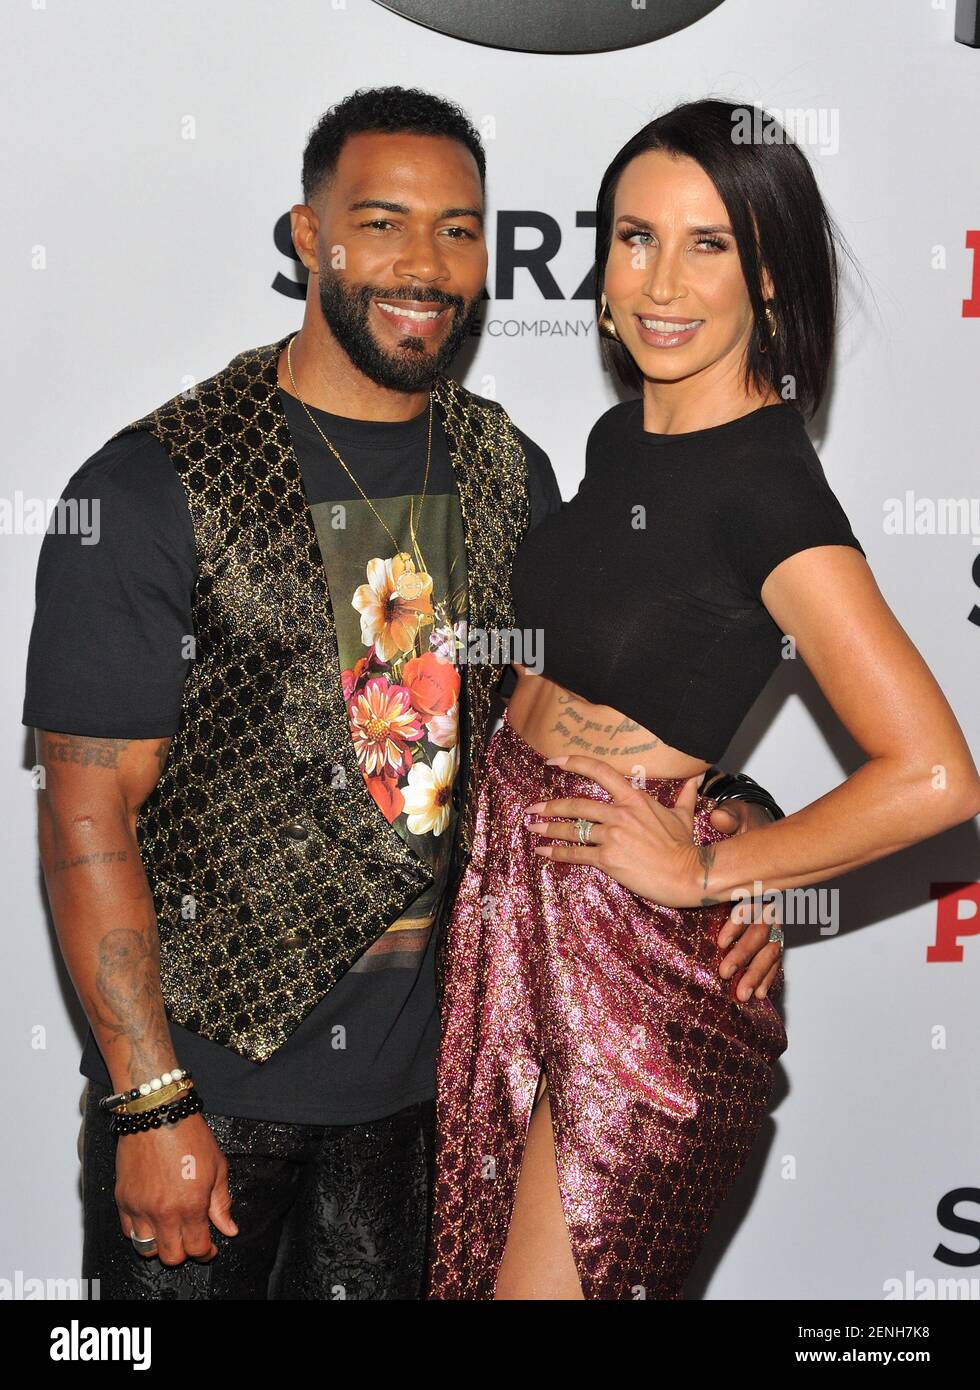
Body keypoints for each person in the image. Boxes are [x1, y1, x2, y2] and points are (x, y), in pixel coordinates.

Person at [23, 87, 779, 1301]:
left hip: (435, 1104)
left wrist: (729, 816)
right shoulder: (153, 485)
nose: (422, 265)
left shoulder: (505, 468)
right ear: (307, 234)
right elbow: (84, 819)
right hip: (215, 1105)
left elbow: (580, 708)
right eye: (380, 223)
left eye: (458, 230)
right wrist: (148, 1098)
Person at [425, 98, 980, 1302]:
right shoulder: (621, 441)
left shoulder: (767, 489)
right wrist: (728, 799)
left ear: (767, 275)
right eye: (634, 238)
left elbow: (935, 775)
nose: (659, 282)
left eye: (706, 244)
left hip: (628, 961)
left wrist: (724, 869)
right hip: (512, 911)